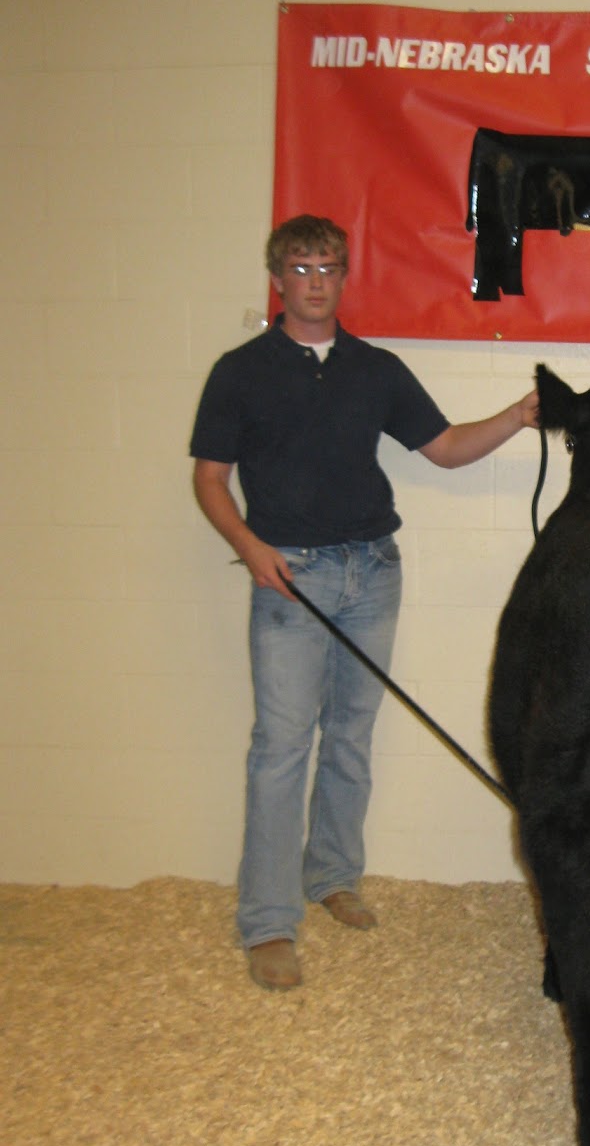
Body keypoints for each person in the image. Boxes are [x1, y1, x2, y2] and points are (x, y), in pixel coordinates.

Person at [190, 214, 539, 991]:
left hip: (373, 570)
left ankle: (333, 877)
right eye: (301, 268)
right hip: (291, 576)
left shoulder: (375, 368)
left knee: (350, 735)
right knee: (282, 748)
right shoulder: (239, 371)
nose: (315, 281)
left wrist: (516, 418)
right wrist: (252, 550)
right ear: (277, 279)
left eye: (329, 268)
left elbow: (444, 450)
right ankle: (269, 922)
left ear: (345, 278)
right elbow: (210, 478)